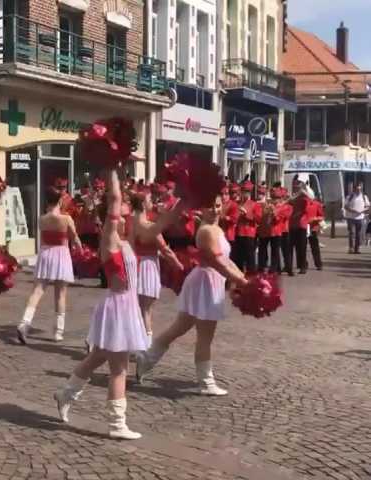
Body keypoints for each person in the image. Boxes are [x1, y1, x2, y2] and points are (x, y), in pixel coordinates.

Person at [53, 168, 164, 440]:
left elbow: (159, 226)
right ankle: (117, 423)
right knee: (119, 368)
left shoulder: (126, 240)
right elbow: (113, 201)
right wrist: (112, 165)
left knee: (97, 357)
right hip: (117, 307)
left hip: (124, 305)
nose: (126, 218)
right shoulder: (109, 237)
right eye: (122, 215)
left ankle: (64, 393)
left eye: (127, 215)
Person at [136, 193, 249, 396]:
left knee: (180, 327)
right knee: (205, 335)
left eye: (217, 205)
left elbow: (226, 260)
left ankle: (147, 358)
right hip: (206, 283)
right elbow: (217, 262)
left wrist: (243, 277)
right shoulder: (206, 231)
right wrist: (240, 281)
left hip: (209, 281)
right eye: (210, 206)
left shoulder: (216, 228)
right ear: (201, 210)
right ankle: (205, 382)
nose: (215, 210)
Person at [17, 186, 81, 343]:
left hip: (46, 253)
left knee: (37, 291)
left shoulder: (42, 219)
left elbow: (44, 237)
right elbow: (75, 238)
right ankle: (58, 331)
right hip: (61, 253)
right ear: (60, 200)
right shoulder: (66, 219)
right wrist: (79, 247)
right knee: (60, 293)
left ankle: (25, 322)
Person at [129, 191, 183, 340]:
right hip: (148, 266)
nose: (152, 202)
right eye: (149, 200)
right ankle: (146, 343)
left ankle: (140, 340)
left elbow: (131, 245)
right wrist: (179, 265)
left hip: (137, 263)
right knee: (146, 308)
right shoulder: (149, 226)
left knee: (141, 307)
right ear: (142, 204)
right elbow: (166, 250)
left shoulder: (132, 222)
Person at [234, 181, 261, 273]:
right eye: (244, 191)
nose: (245, 193)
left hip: (249, 233)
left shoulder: (255, 204)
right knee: (238, 258)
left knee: (250, 257)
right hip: (238, 233)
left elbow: (258, 219)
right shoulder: (236, 203)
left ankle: (251, 276)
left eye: (247, 191)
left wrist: (246, 214)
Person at [287, 181, 311, 275]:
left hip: (301, 224)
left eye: (298, 187)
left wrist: (303, 191)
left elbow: (311, 198)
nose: (296, 188)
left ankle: (302, 266)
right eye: (295, 187)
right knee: (289, 247)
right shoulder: (292, 197)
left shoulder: (304, 197)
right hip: (291, 224)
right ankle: (289, 266)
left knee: (301, 247)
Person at [344, 182, 369, 254]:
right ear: (354, 189)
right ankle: (351, 248)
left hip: (360, 218)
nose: (358, 191)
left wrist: (364, 210)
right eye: (357, 189)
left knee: (358, 233)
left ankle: (357, 248)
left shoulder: (364, 197)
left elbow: (367, 206)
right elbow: (345, 207)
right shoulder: (350, 197)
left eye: (360, 189)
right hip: (350, 218)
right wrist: (353, 211)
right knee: (351, 233)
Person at [308, 197, 325, 270]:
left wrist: (315, 219)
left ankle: (318, 264)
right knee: (301, 248)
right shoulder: (301, 204)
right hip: (303, 227)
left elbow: (321, 217)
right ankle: (303, 264)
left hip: (312, 228)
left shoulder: (316, 204)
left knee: (315, 247)